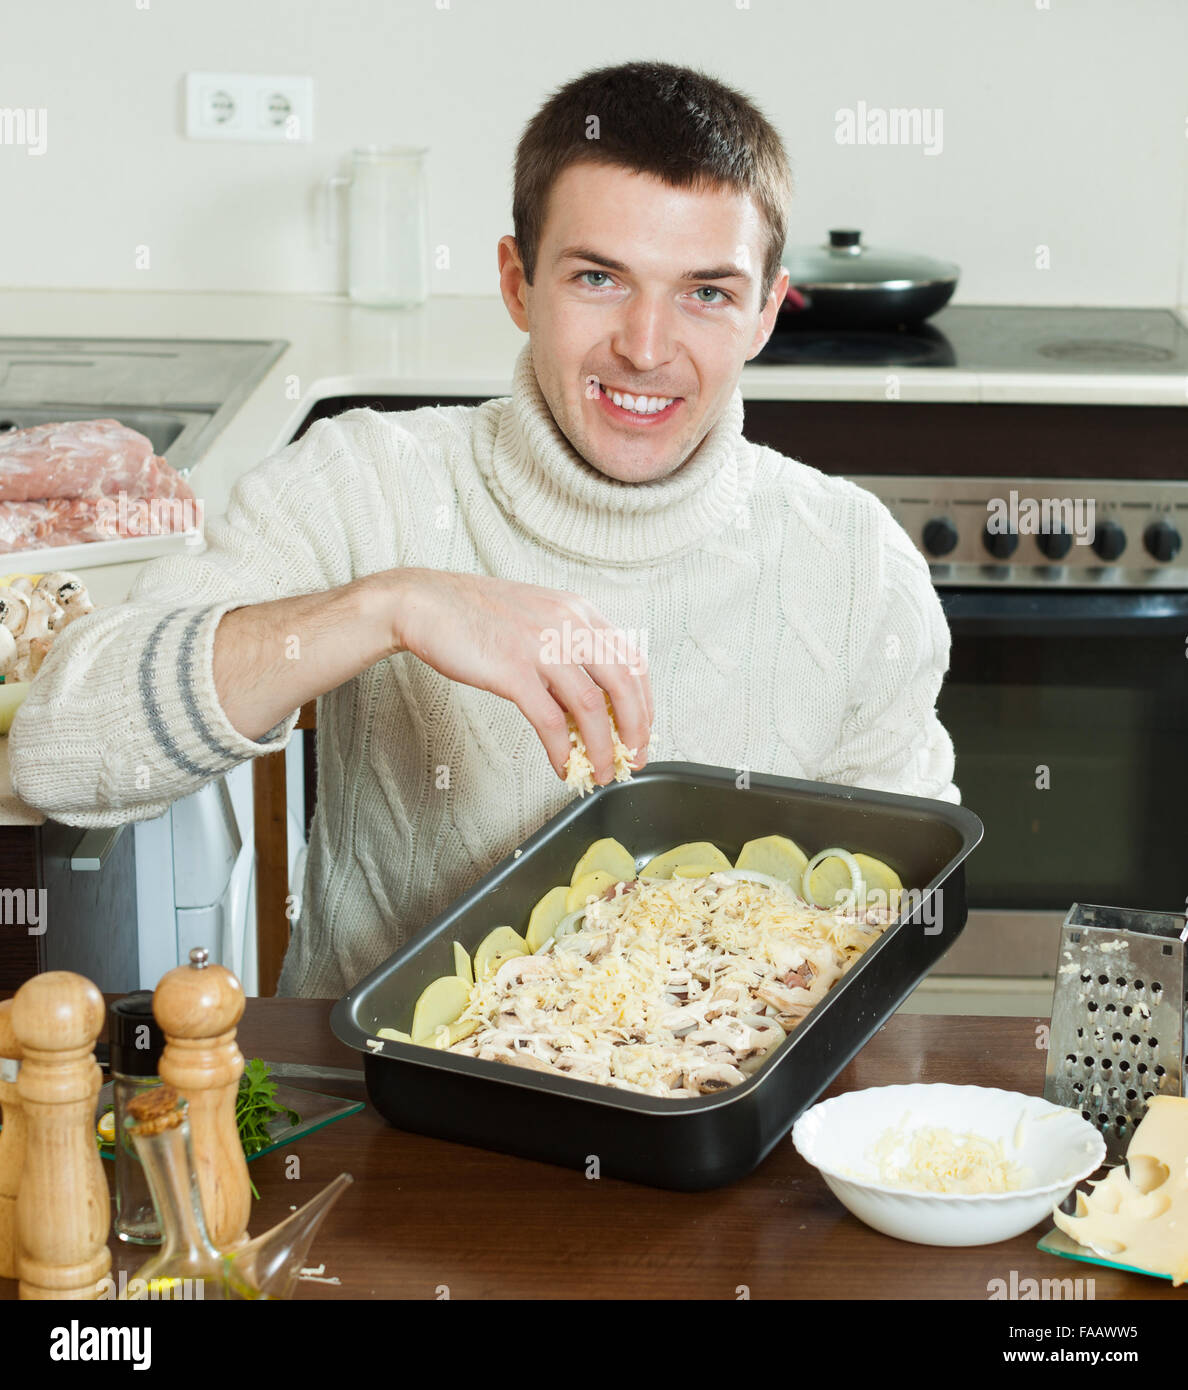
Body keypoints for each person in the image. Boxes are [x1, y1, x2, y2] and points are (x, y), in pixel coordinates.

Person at [9, 61, 957, 998]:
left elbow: (891, 924)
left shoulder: (854, 565)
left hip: (721, 1120)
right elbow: (57, 753)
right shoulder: (364, 481)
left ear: (763, 314)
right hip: (383, 1121)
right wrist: (393, 605)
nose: (647, 346)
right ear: (517, 283)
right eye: (598, 277)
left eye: (707, 292)